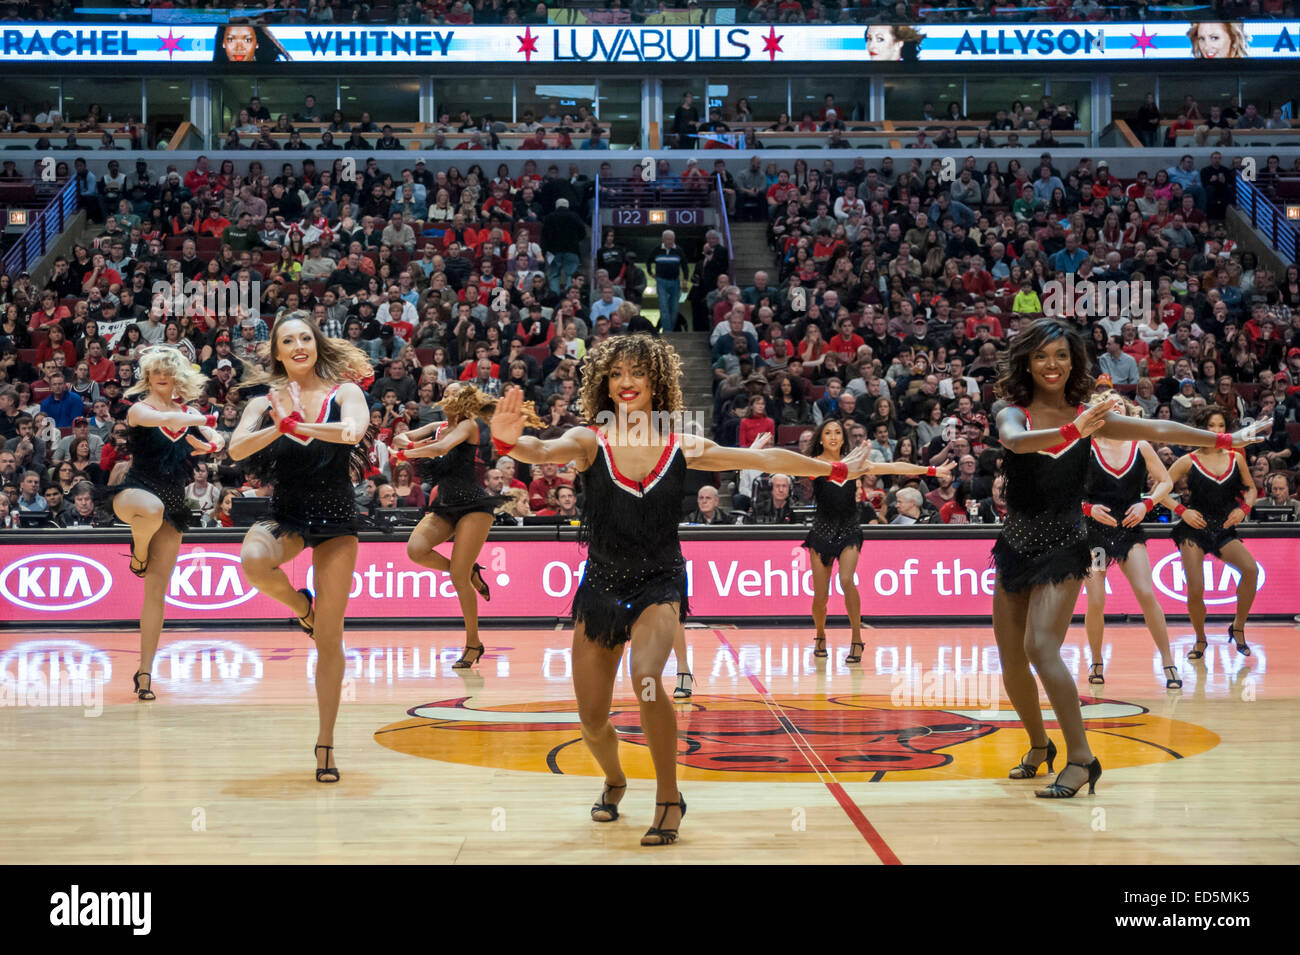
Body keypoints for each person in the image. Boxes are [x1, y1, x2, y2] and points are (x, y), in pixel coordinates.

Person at [489, 334, 872, 846]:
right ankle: (615, 778)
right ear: (604, 382)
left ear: (657, 383)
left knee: (647, 679)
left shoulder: (680, 444)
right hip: (601, 586)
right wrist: (507, 441)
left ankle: (669, 795)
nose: (626, 383)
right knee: (592, 720)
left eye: (637, 373)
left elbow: (769, 461)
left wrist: (835, 468)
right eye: (617, 373)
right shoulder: (588, 440)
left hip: (660, 583)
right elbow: (539, 448)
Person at [991, 319, 1266, 799]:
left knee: (1041, 648)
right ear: (1026, 363)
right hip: (1015, 543)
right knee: (1012, 658)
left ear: (1074, 360)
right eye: (1040, 356)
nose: (1051, 364)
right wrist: (1073, 429)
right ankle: (1039, 747)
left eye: (1060, 354)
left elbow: (1157, 426)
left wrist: (1225, 440)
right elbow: (1015, 441)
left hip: (1063, 543)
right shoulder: (1010, 411)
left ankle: (1081, 759)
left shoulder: (1092, 417)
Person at [228, 315, 372, 784]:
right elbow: (236, 450)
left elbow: (352, 431)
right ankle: (299, 605)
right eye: (287, 340)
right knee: (252, 561)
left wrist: (304, 424)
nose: (297, 345)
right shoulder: (262, 401)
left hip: (335, 517)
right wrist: (279, 426)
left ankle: (325, 740)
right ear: (276, 351)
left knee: (330, 640)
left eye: (304, 337)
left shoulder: (345, 391)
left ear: (316, 343)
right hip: (287, 512)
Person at [393, 384, 541, 668]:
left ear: (463, 400)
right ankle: (469, 569)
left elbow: (438, 448)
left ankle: (473, 643)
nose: (447, 396)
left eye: (453, 393)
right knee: (416, 549)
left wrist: (409, 450)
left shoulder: (468, 426)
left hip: (473, 506)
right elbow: (403, 437)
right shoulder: (437, 425)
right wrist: (407, 444)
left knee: (457, 580)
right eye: (445, 392)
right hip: (445, 505)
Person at [110, 347, 223, 701]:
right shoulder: (139, 409)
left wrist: (214, 442)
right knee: (152, 508)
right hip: (135, 495)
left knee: (156, 594)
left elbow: (217, 441)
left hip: (174, 504)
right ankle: (138, 550)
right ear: (146, 376)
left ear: (177, 377)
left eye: (168, 371)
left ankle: (145, 673)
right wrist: (206, 422)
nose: (161, 376)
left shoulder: (190, 413)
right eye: (155, 371)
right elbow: (157, 421)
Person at [803, 418, 953, 664]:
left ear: (843, 438)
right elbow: (782, 464)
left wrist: (930, 470)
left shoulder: (856, 465)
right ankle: (820, 635)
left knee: (847, 580)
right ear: (820, 438)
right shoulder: (813, 465)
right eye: (828, 432)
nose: (832, 436)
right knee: (821, 596)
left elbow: (895, 468)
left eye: (837, 432)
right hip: (821, 531)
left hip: (849, 529)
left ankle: (856, 638)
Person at [1080, 392, 1181, 689]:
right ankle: (1096, 660)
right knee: (1096, 600)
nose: (1115, 406)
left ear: (1127, 412)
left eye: (1119, 403)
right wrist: (1088, 508)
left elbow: (1166, 481)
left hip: (1129, 528)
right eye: (1108, 404)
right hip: (1095, 534)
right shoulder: (1086, 446)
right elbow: (1063, 490)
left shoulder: (1141, 445)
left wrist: (1147, 504)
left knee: (1146, 594)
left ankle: (1168, 661)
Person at [1167, 406, 1261, 660]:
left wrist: (1243, 509)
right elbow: (1160, 489)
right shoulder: (1188, 460)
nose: (1216, 431)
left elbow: (1251, 489)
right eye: (1211, 426)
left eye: (1221, 426)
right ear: (1201, 429)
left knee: (1251, 571)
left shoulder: (1236, 457)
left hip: (1224, 526)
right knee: (1196, 588)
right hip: (1193, 528)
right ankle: (1200, 639)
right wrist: (1181, 510)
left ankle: (1238, 626)